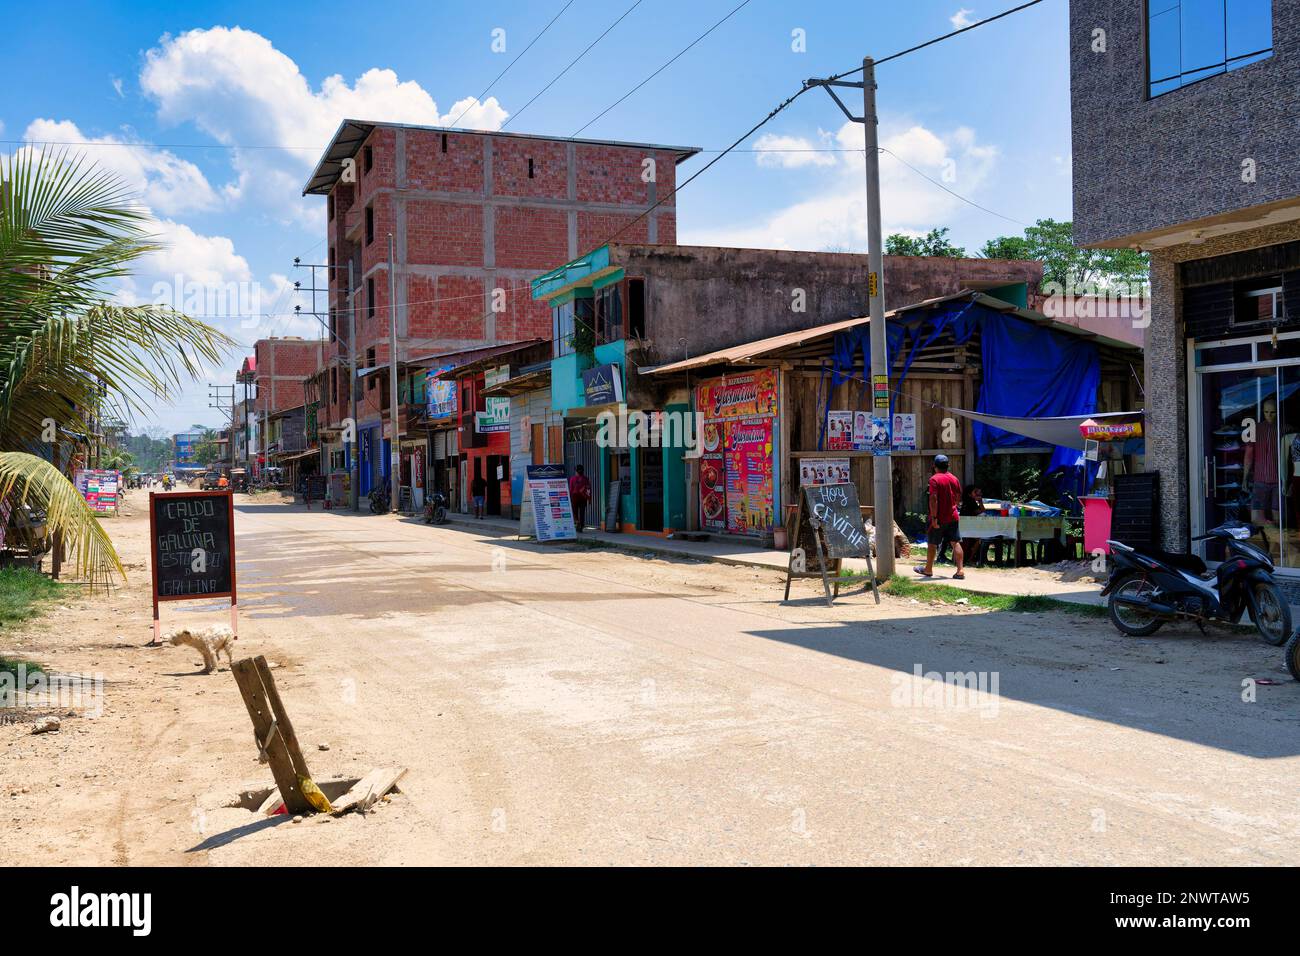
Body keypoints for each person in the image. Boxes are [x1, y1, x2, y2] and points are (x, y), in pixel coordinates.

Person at [916, 454, 964, 579]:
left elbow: (933, 499)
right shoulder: (954, 479)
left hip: (939, 517)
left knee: (932, 543)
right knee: (956, 542)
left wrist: (934, 517)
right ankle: (960, 571)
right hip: (953, 516)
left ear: (934, 466)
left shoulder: (934, 479)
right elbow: (958, 498)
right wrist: (953, 506)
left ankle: (928, 570)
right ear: (948, 465)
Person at [960, 484, 985, 566]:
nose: (977, 494)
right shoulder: (971, 502)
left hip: (964, 527)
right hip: (968, 528)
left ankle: (969, 558)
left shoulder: (967, 501)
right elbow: (982, 512)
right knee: (979, 539)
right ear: (970, 494)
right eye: (975, 492)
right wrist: (980, 502)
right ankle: (970, 559)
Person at [569, 464, 592, 531]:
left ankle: (577, 522)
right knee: (582, 512)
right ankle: (581, 525)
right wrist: (589, 499)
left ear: (576, 471)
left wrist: (569, 498)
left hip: (575, 497)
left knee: (575, 512)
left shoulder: (572, 478)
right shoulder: (586, 478)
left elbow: (571, 489)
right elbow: (588, 489)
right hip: (583, 497)